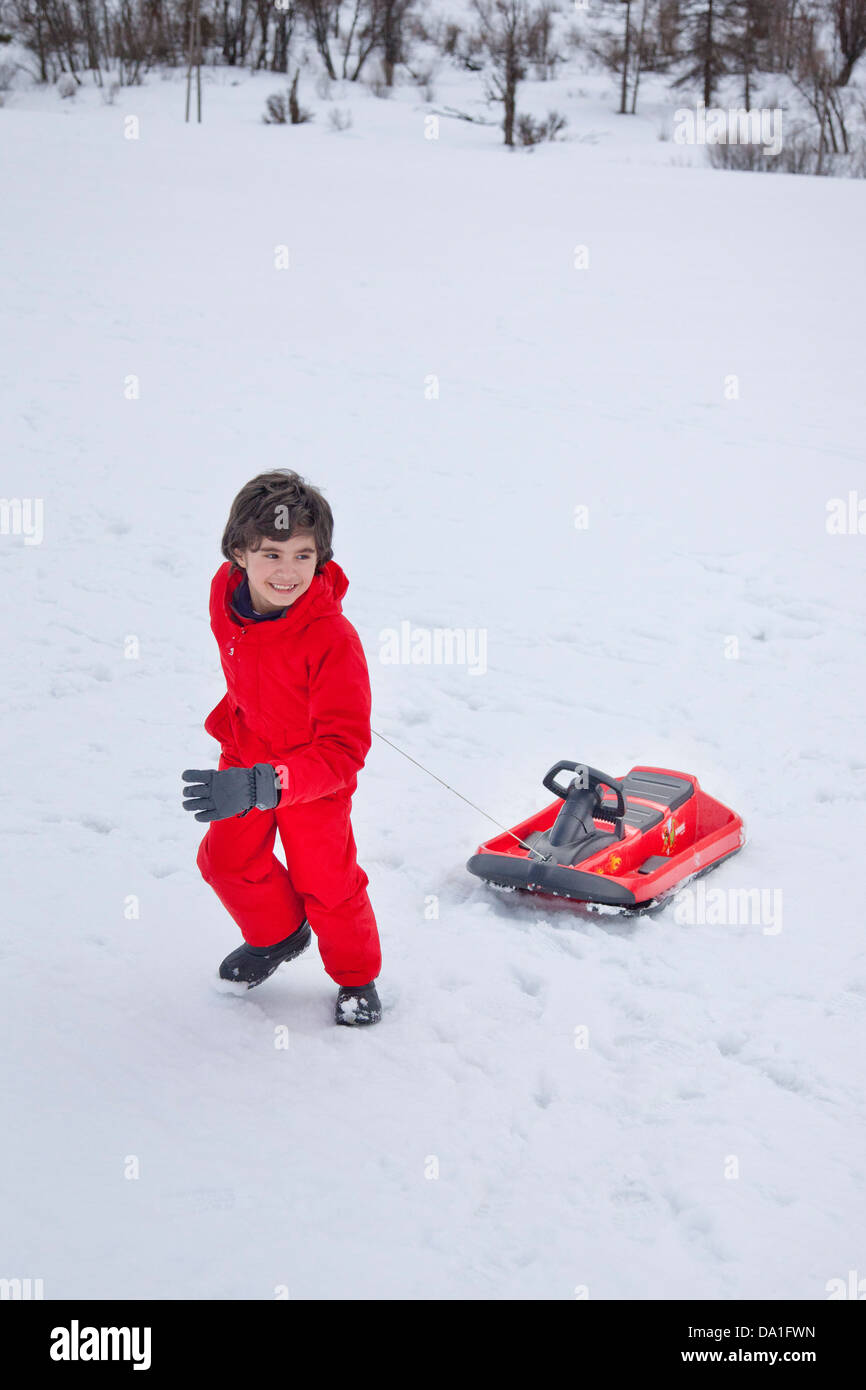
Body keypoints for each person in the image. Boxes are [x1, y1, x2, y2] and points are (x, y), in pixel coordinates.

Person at [181, 470, 382, 1026]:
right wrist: (245, 764)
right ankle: (278, 936)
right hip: (246, 748)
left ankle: (356, 975)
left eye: (303, 555)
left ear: (322, 556)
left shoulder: (333, 640)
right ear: (239, 553)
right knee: (225, 860)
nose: (287, 571)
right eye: (271, 553)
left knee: (327, 883)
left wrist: (268, 784)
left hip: (313, 779)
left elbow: (344, 750)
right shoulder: (227, 596)